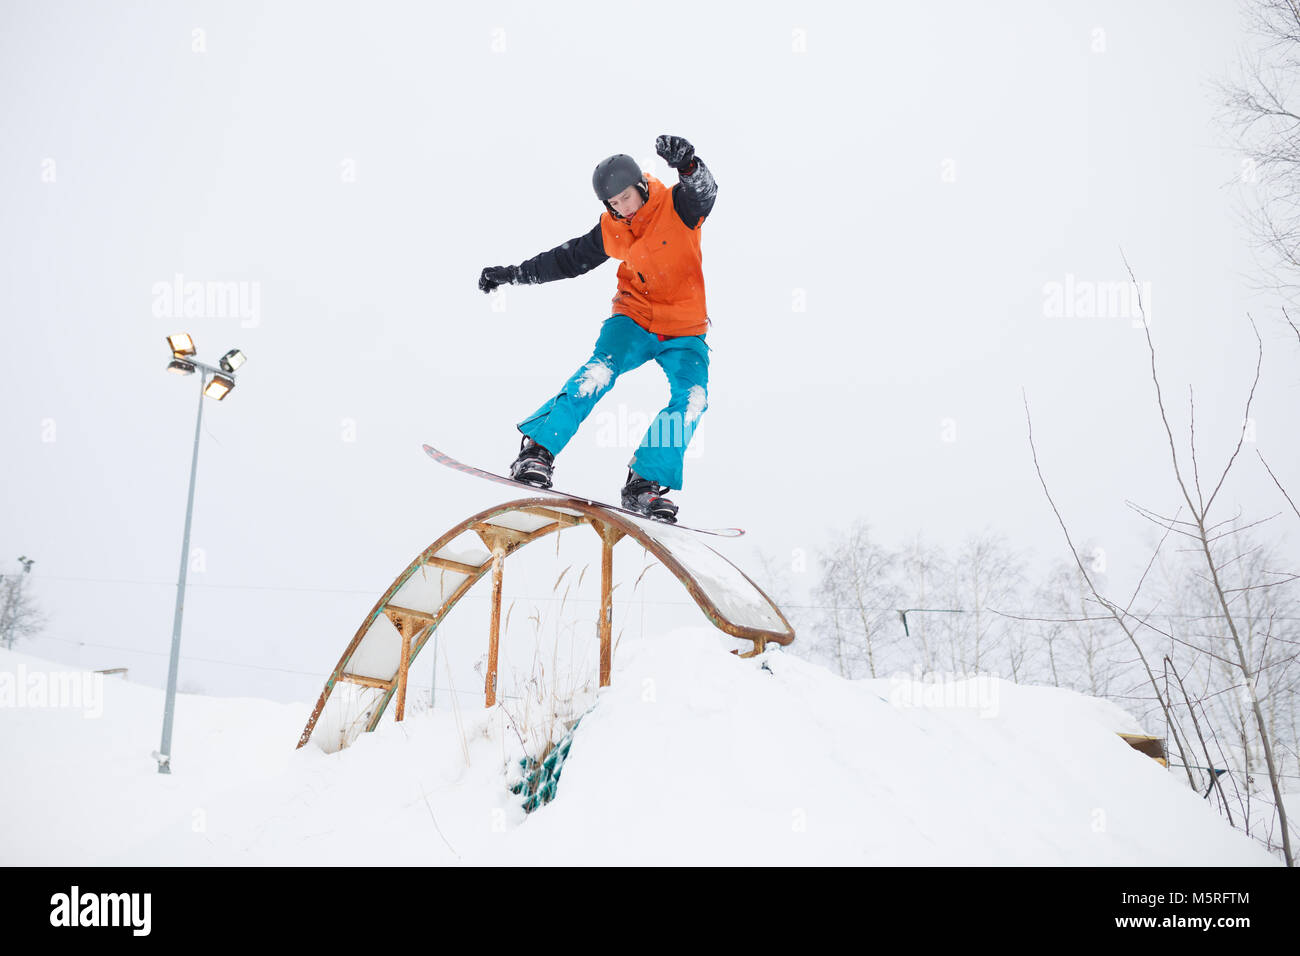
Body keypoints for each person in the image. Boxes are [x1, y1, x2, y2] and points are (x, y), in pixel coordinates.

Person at [478, 133, 718, 523]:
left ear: (641, 186)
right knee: (599, 372)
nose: (622, 208)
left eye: (627, 197)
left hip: (685, 329)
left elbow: (704, 192)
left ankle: (645, 481)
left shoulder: (678, 206)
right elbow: (567, 260)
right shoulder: (612, 228)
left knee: (692, 399)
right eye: (613, 203)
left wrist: (689, 164)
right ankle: (537, 450)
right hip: (633, 317)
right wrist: (513, 275)